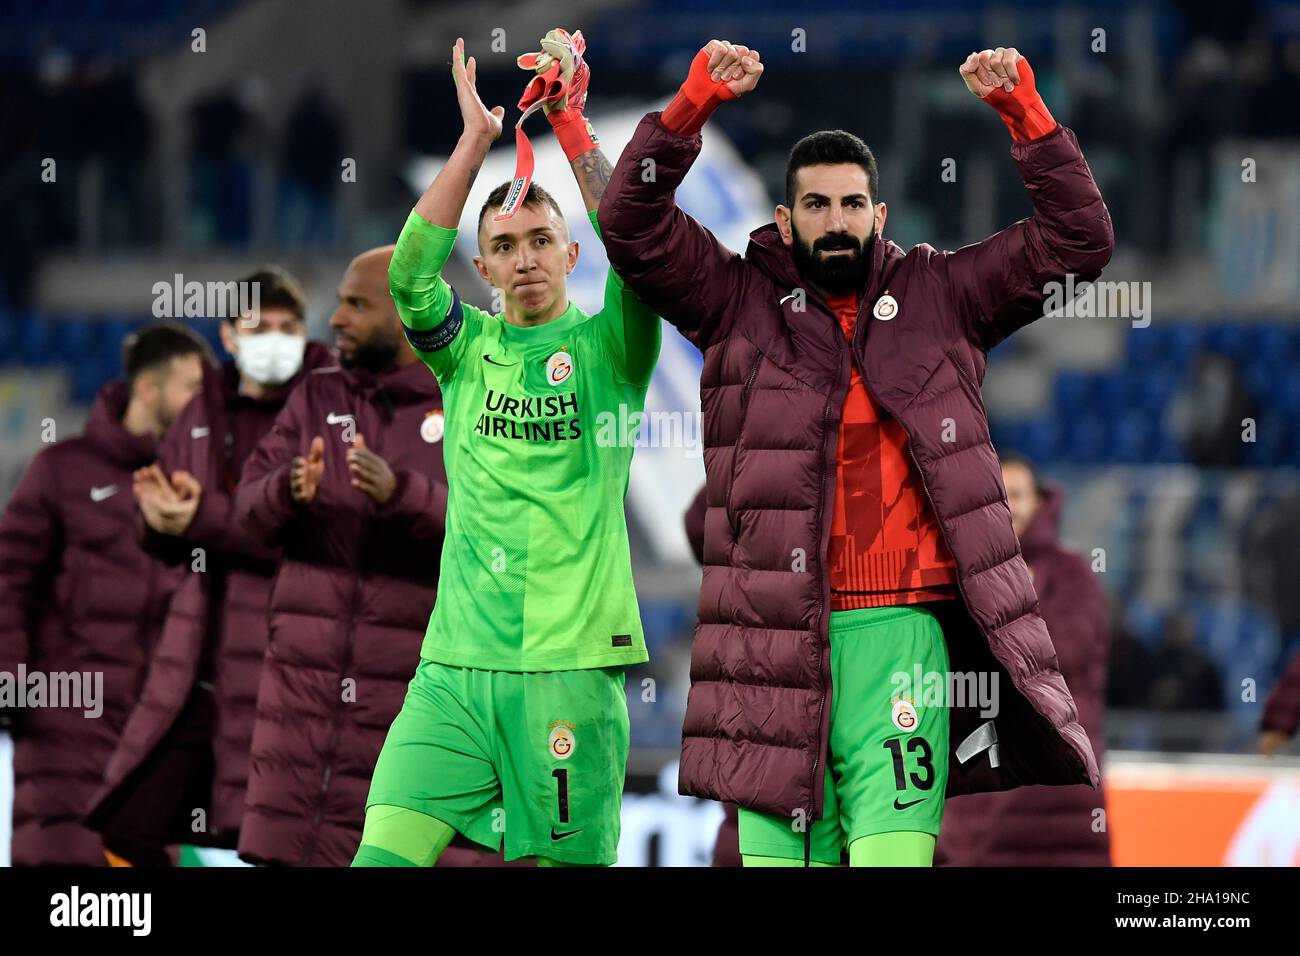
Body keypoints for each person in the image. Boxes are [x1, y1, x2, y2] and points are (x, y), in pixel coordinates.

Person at [599, 39, 1113, 866]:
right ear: (783, 219)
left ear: (880, 216)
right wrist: (691, 105)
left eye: (850, 205)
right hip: (771, 647)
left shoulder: (944, 296)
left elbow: (1080, 244)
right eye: (815, 205)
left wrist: (1027, 116)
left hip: (900, 641)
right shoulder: (730, 301)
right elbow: (628, 224)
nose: (834, 221)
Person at [353, 31, 660, 867]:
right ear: (483, 267)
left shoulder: (613, 354)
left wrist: (572, 126)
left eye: (538, 241)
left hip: (570, 672)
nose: (524, 259)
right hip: (452, 671)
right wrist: (472, 144)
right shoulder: (463, 352)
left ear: (571, 253)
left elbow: (643, 250)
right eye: (503, 247)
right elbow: (409, 278)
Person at [86, 268, 333, 865]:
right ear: (227, 335)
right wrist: (159, 521)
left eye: (287, 327)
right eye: (259, 327)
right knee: (129, 820)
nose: (275, 338)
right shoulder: (202, 410)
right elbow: (172, 527)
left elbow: (308, 535)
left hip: (291, 658)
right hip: (201, 656)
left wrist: (199, 522)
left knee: (282, 839)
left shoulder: (330, 407)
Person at [231, 248, 458, 866]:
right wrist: (287, 491)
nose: (334, 319)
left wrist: (403, 495)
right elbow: (244, 517)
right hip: (296, 718)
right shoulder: (315, 397)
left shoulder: (466, 402)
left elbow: (496, 537)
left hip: (399, 709)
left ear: (408, 310)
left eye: (357, 305)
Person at [0, 323, 209, 865]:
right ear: (147, 389)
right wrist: (14, 688)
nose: (202, 404)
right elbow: (9, 581)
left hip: (156, 739)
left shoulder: (196, 486)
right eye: (191, 388)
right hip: (66, 724)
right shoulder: (61, 470)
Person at [936, 454, 1112, 865]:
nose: (1007, 506)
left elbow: (1067, 649)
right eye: (997, 495)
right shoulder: (957, 578)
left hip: (1059, 791)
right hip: (982, 798)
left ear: (1038, 501)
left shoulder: (1070, 573)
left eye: (1016, 494)